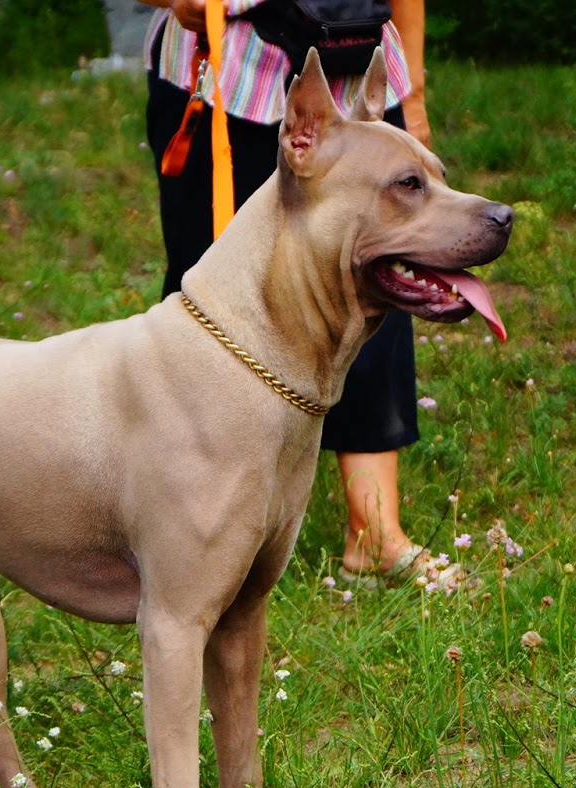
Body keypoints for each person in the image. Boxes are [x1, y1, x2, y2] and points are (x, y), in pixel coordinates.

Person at [142, 0, 435, 581]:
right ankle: (192, 516)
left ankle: (374, 532)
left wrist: (416, 97)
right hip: (225, 75)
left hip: (361, 69)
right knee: (211, 299)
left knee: (373, 279)